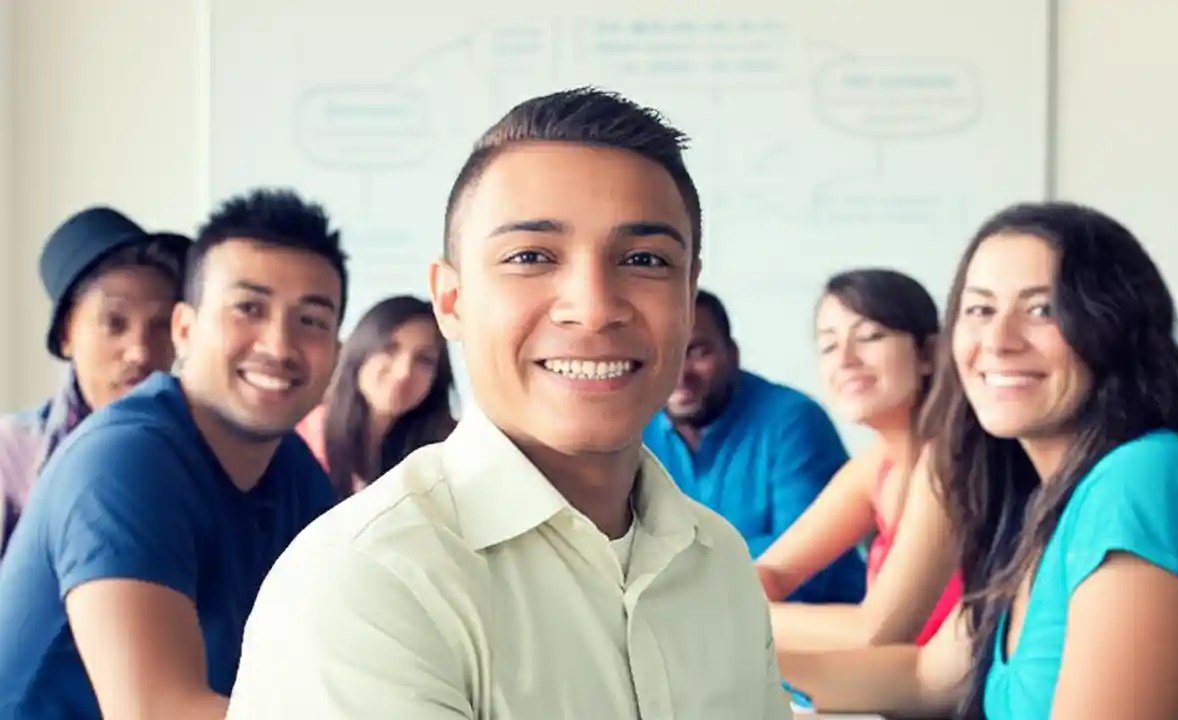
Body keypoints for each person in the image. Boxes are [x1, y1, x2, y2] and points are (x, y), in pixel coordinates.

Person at [226, 87, 793, 719]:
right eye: (531, 257)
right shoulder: (372, 579)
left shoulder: (718, 560)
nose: (594, 306)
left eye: (644, 259)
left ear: (689, 301)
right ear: (451, 300)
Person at [776, 202, 1178, 719]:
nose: (998, 341)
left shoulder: (1143, 483)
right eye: (980, 309)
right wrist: (719, 664)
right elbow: (925, 677)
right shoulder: (1039, 503)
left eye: (1042, 309)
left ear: (1112, 326)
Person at [0, 189, 345, 719]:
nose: (278, 345)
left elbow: (344, 644)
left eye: (311, 320)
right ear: (185, 329)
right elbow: (156, 714)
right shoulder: (123, 459)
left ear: (337, 353)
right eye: (248, 308)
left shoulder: (294, 471)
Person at [757, 269, 964, 650]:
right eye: (829, 346)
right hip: (894, 691)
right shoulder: (877, 465)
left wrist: (731, 613)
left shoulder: (951, 461)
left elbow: (875, 632)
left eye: (870, 336)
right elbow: (771, 573)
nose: (846, 360)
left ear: (929, 354)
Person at [643, 289, 864, 603]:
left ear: (732, 354)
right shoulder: (632, 430)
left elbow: (808, 573)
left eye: (696, 351)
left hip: (813, 634)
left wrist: (667, 568)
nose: (679, 374)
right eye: (662, 353)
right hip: (691, 632)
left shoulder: (792, 421)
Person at [0, 207, 189, 555]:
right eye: (114, 323)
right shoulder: (12, 453)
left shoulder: (204, 454)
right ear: (66, 334)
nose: (140, 352)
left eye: (161, 324)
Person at [296, 294, 457, 498]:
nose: (403, 372)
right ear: (360, 351)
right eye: (390, 349)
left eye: (424, 360)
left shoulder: (441, 456)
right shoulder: (302, 440)